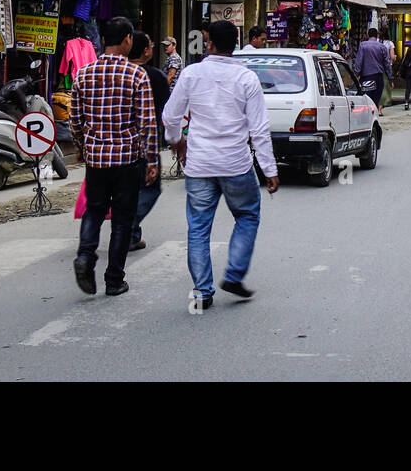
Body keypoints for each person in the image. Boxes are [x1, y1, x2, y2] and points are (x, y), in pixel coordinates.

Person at [162, 20, 278, 309]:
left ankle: (202, 291)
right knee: (247, 216)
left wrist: (176, 141)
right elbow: (259, 130)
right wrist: (269, 169)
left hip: (199, 164)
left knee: (198, 229)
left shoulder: (191, 74)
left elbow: (170, 116)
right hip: (235, 164)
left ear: (209, 44)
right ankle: (234, 275)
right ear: (236, 45)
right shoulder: (247, 78)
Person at [71, 16, 158, 295]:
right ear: (127, 40)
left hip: (96, 159)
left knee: (94, 210)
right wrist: (152, 160)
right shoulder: (136, 75)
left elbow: (75, 119)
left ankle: (85, 256)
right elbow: (146, 122)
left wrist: (82, 148)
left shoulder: (83, 74)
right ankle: (114, 279)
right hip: (127, 159)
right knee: (122, 219)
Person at [128, 32, 171, 251]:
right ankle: (128, 226)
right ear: (146, 50)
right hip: (145, 140)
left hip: (116, 143)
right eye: (151, 44)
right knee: (150, 188)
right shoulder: (153, 76)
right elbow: (167, 110)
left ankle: (131, 234)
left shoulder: (119, 72)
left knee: (126, 189)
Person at [353, 27, 392, 108]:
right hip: (378, 78)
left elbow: (358, 62)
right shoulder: (382, 47)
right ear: (377, 36)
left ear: (368, 35)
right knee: (376, 101)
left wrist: (355, 76)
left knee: (367, 100)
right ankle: (374, 116)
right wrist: (390, 78)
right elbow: (387, 64)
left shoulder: (363, 45)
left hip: (367, 78)